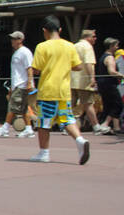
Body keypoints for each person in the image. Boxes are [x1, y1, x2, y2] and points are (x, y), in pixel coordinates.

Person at [27, 16, 91, 164]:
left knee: (44, 123)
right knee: (67, 118)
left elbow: (36, 68)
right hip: (64, 91)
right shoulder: (70, 46)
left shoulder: (42, 47)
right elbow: (78, 66)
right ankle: (80, 140)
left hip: (48, 90)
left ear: (44, 31)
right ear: (60, 30)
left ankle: (44, 153)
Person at [0, 31, 35, 138]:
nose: (12, 41)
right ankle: (29, 129)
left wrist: (30, 83)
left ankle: (5, 128)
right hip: (17, 84)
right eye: (12, 39)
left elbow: (29, 68)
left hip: (22, 84)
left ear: (20, 40)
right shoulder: (17, 52)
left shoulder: (25, 52)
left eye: (15, 39)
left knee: (12, 107)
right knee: (23, 108)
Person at [71, 28, 106, 134]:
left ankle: (66, 126)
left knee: (70, 104)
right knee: (88, 103)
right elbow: (88, 63)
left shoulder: (74, 46)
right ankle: (96, 126)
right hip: (83, 80)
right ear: (88, 37)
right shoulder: (88, 47)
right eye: (94, 36)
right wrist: (92, 78)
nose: (95, 38)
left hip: (71, 80)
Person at [96, 36, 124, 134]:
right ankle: (105, 123)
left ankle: (116, 127)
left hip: (102, 83)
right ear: (111, 46)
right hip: (109, 84)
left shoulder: (103, 56)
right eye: (116, 45)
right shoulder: (110, 57)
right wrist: (122, 76)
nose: (117, 47)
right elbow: (112, 71)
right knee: (118, 104)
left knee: (108, 105)